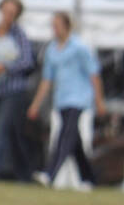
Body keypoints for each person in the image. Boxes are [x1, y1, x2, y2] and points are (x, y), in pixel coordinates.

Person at [27, 12, 106, 190]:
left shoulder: (80, 47)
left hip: (79, 98)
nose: (54, 30)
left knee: (65, 135)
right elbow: (47, 80)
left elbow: (94, 75)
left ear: (67, 26)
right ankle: (89, 178)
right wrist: (36, 104)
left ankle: (50, 173)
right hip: (61, 99)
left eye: (57, 25)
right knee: (74, 141)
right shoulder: (52, 51)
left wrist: (99, 100)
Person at [0, 0, 37, 182]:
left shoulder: (19, 36)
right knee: (12, 135)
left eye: (12, 13)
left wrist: (4, 67)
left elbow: (28, 61)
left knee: (2, 129)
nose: (8, 15)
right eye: (6, 11)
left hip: (14, 91)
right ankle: (25, 175)